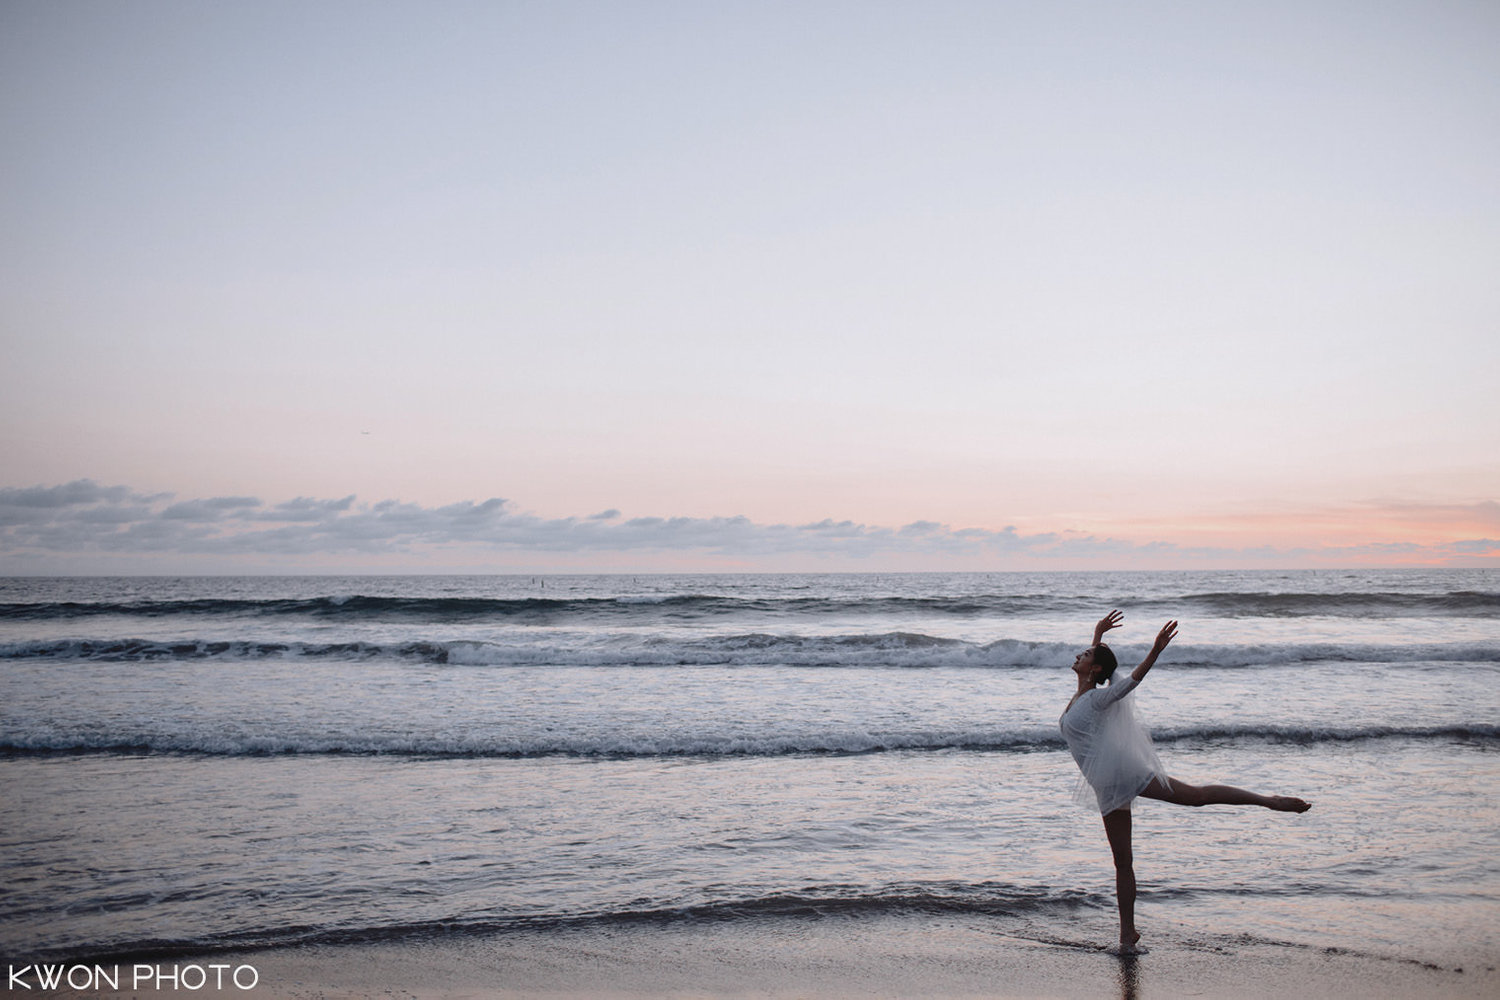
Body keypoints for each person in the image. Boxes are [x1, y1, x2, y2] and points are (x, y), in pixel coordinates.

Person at [1060, 610, 1311, 952]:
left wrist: (1155, 652)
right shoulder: (1082, 695)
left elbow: (1131, 680)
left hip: (1122, 774)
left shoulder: (1098, 698)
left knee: (1195, 797)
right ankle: (1126, 937)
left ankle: (1271, 801)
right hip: (1106, 785)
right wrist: (1097, 634)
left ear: (1097, 668)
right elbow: (1094, 671)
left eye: (1085, 655)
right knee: (1122, 861)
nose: (1079, 655)